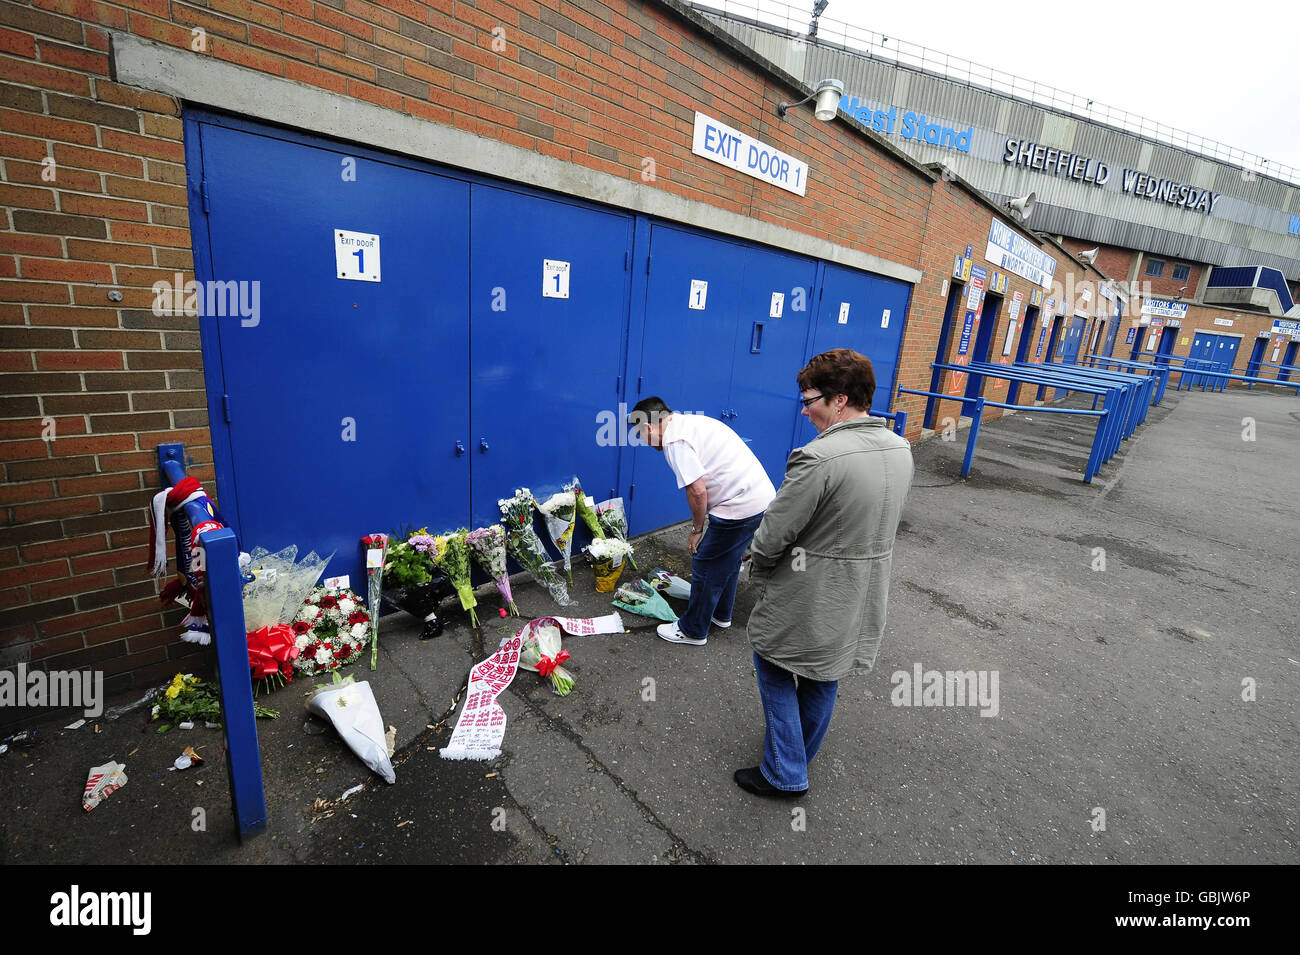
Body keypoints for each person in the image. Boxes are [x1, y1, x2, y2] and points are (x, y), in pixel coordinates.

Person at [735, 348, 913, 798]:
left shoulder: (819, 457)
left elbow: (775, 533)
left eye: (810, 397)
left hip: (810, 590)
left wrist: (757, 567)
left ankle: (786, 771)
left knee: (772, 663)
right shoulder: (899, 448)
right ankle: (795, 755)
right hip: (864, 591)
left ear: (838, 400)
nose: (804, 407)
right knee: (823, 673)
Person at [628, 397, 775, 646]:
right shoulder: (691, 422)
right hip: (759, 499)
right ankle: (720, 614)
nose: (644, 440)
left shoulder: (675, 441)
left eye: (641, 434)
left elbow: (697, 490)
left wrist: (697, 530)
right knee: (726, 558)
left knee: (706, 563)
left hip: (739, 505)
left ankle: (693, 629)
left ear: (649, 427)